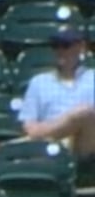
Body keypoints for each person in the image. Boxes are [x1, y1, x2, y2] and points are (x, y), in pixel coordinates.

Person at [20, 26, 94, 162]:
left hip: (85, 149)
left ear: (81, 47)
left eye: (66, 45)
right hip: (47, 147)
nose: (60, 51)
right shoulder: (39, 82)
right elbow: (29, 127)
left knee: (85, 112)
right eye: (55, 46)